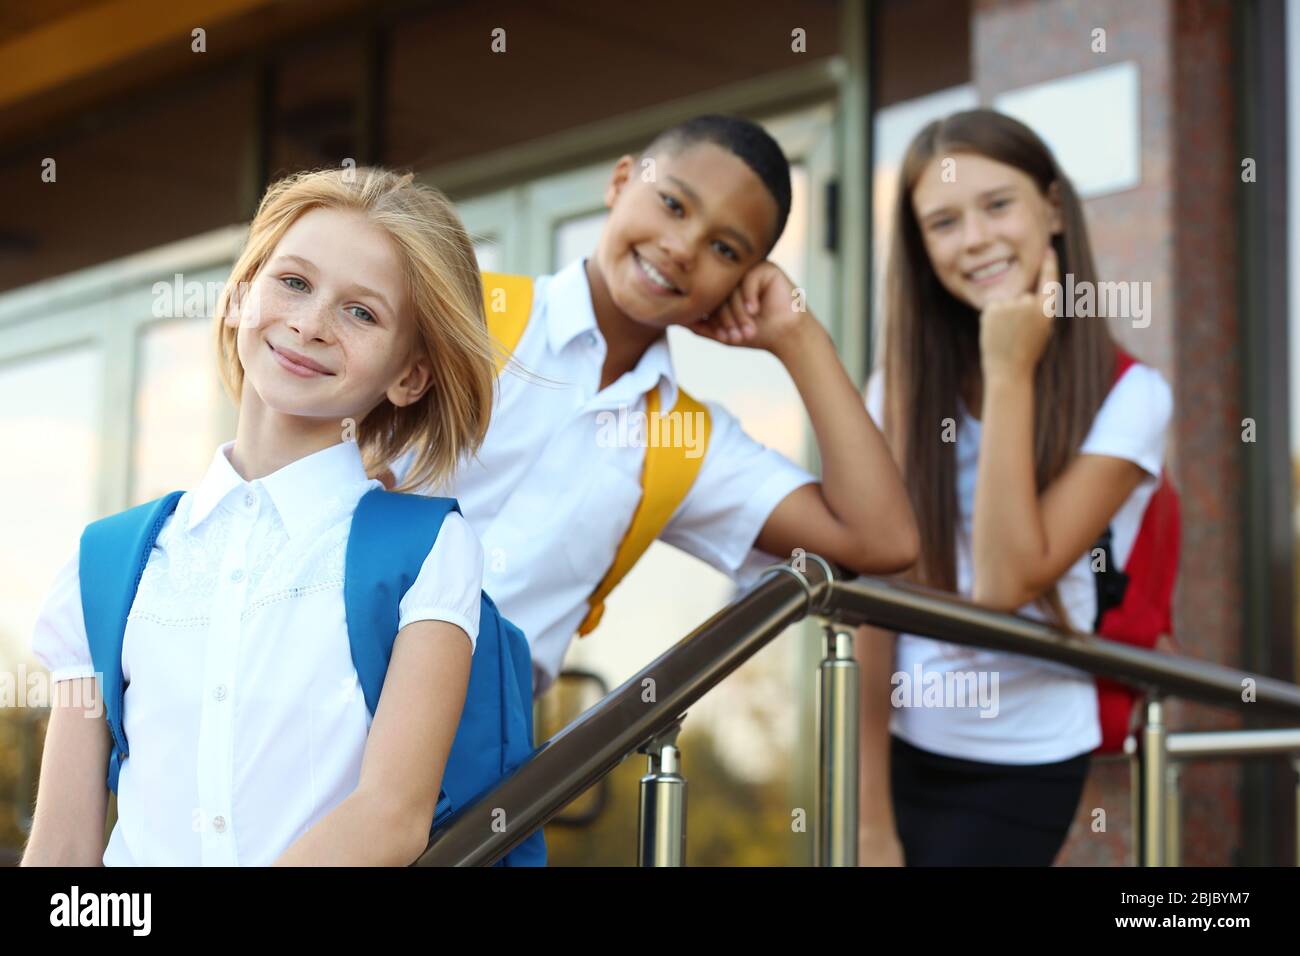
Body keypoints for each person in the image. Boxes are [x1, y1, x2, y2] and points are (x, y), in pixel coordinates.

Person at [22, 167, 496, 866]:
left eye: (361, 313)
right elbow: (62, 850)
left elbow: (390, 818)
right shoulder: (105, 563)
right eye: (294, 282)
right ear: (241, 296)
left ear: (410, 375)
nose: (309, 324)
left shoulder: (428, 551)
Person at [393, 114, 919, 696]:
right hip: (310, 672)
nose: (681, 248)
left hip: (475, 744)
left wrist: (799, 339)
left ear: (742, 281)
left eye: (724, 248)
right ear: (621, 182)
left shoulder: (687, 443)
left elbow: (883, 540)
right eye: (673, 204)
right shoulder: (465, 311)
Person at [857, 109, 1173, 866]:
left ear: (1053, 209)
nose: (974, 239)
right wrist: (869, 823)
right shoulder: (895, 390)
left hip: (1028, 754)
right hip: (901, 740)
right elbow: (873, 606)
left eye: (997, 205)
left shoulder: (1133, 397)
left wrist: (1009, 369)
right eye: (942, 222)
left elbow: (1002, 583)